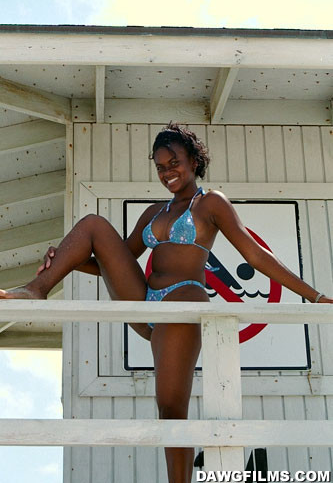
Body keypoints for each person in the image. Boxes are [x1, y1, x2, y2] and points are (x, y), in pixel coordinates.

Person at [0, 123, 332, 483]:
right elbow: (113, 263)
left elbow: (255, 255)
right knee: (93, 225)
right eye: (160, 167)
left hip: (183, 302)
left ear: (194, 159)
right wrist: (68, 256)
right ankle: (36, 289)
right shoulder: (154, 213)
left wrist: (313, 295)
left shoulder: (211, 204)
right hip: (145, 304)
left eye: (173, 162)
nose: (167, 172)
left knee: (171, 410)